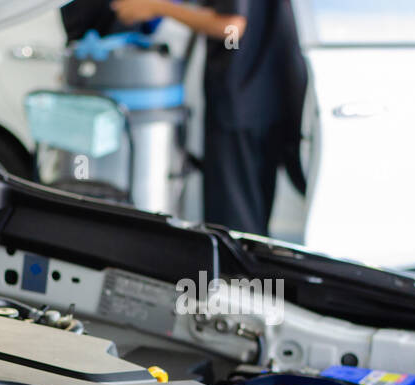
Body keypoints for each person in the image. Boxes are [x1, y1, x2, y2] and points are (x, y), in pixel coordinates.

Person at [111, 0, 307, 235]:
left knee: (233, 227)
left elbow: (231, 27)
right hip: (261, 98)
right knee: (249, 221)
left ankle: (234, 273)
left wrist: (158, 7)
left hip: (240, 103)